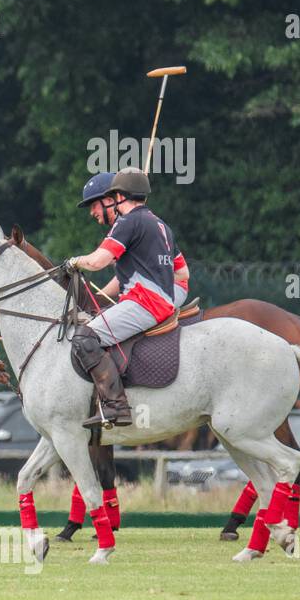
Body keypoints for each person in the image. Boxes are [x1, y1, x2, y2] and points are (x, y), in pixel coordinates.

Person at [65, 166, 179, 428]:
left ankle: (117, 406)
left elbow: (98, 261)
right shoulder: (160, 224)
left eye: (98, 204)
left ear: (116, 197)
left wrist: (74, 262)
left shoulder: (128, 222)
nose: (94, 212)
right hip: (158, 300)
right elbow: (181, 270)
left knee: (84, 337)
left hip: (144, 303)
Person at [78, 170, 189, 307]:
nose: (92, 212)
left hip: (171, 287)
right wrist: (99, 297)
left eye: (94, 205)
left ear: (112, 199)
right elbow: (128, 274)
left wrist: (98, 297)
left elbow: (125, 273)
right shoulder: (133, 223)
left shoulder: (131, 224)